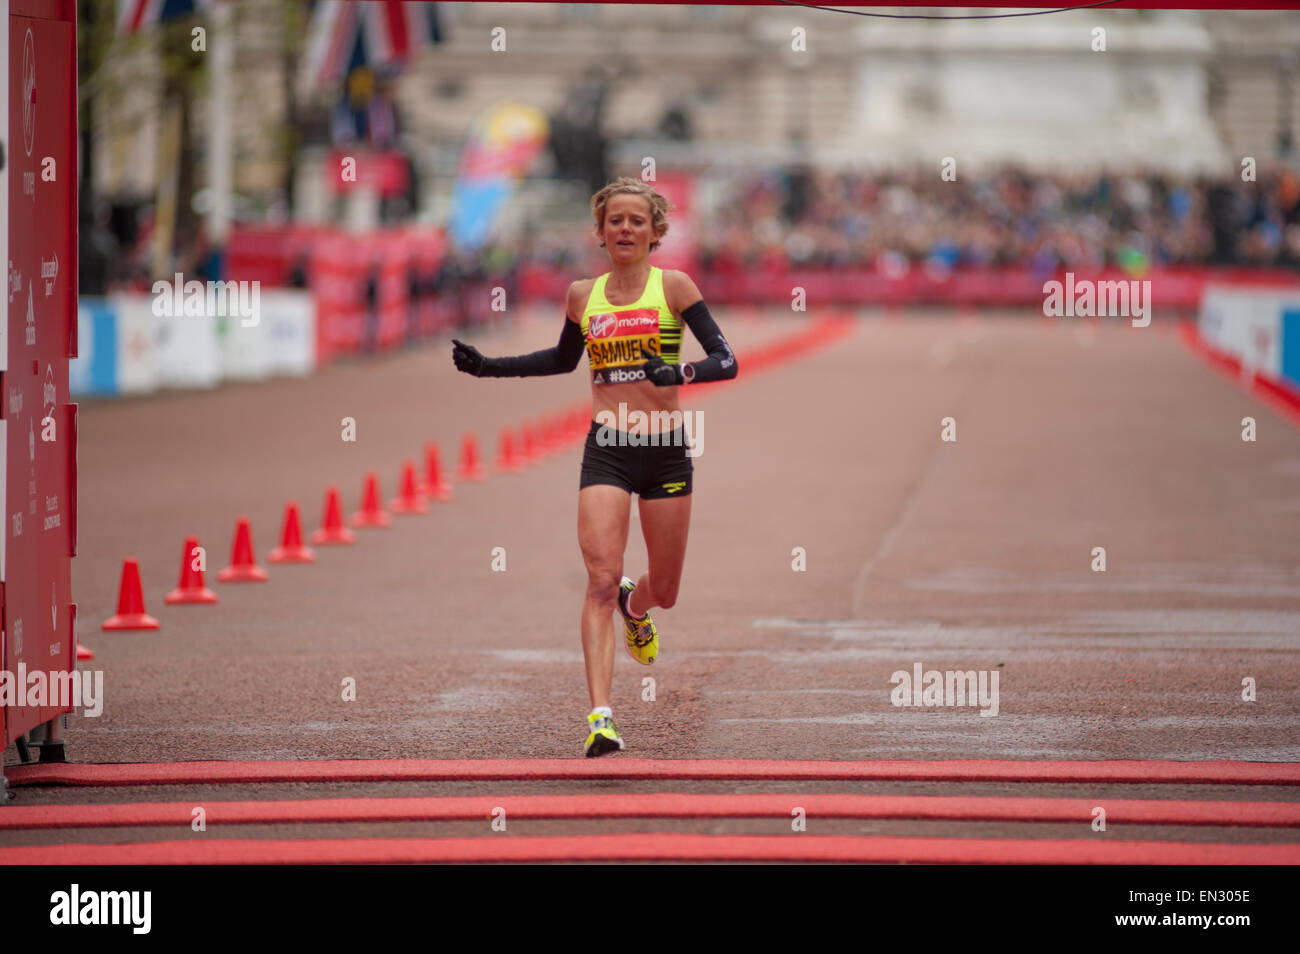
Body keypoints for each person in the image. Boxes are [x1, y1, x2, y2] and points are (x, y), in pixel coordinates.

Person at [451, 177, 738, 756]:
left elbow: (725, 361)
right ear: (601, 231)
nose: (625, 229)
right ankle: (600, 719)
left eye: (637, 221)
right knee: (599, 581)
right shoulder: (584, 296)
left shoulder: (675, 286)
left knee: (669, 589)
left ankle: (640, 605)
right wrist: (489, 368)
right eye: (615, 221)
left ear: (656, 232)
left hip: (666, 450)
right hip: (606, 448)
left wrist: (677, 375)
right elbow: (561, 360)